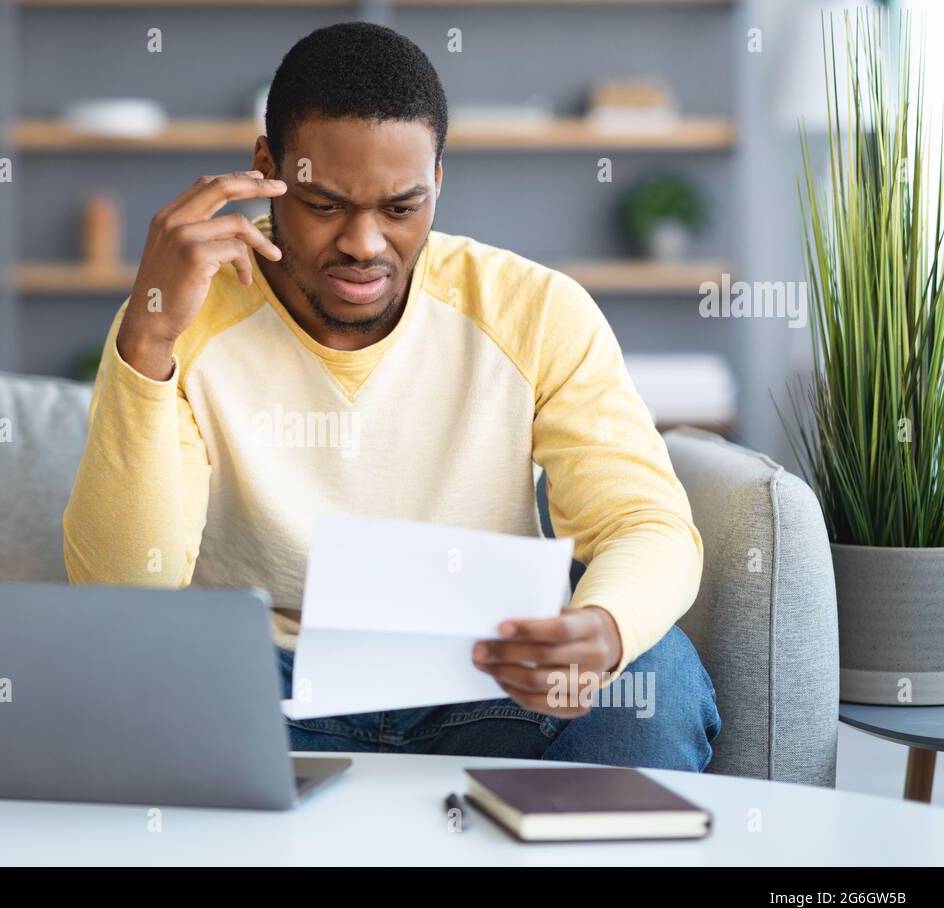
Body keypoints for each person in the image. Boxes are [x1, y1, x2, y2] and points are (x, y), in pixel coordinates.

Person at [63, 21, 720, 771]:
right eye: (325, 204)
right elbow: (125, 593)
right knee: (126, 684)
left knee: (656, 679)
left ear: (438, 182)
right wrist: (147, 345)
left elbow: (646, 523)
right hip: (269, 689)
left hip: (485, 677)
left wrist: (602, 627)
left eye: (401, 209)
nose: (365, 245)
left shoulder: (533, 311)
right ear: (265, 168)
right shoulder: (180, 318)